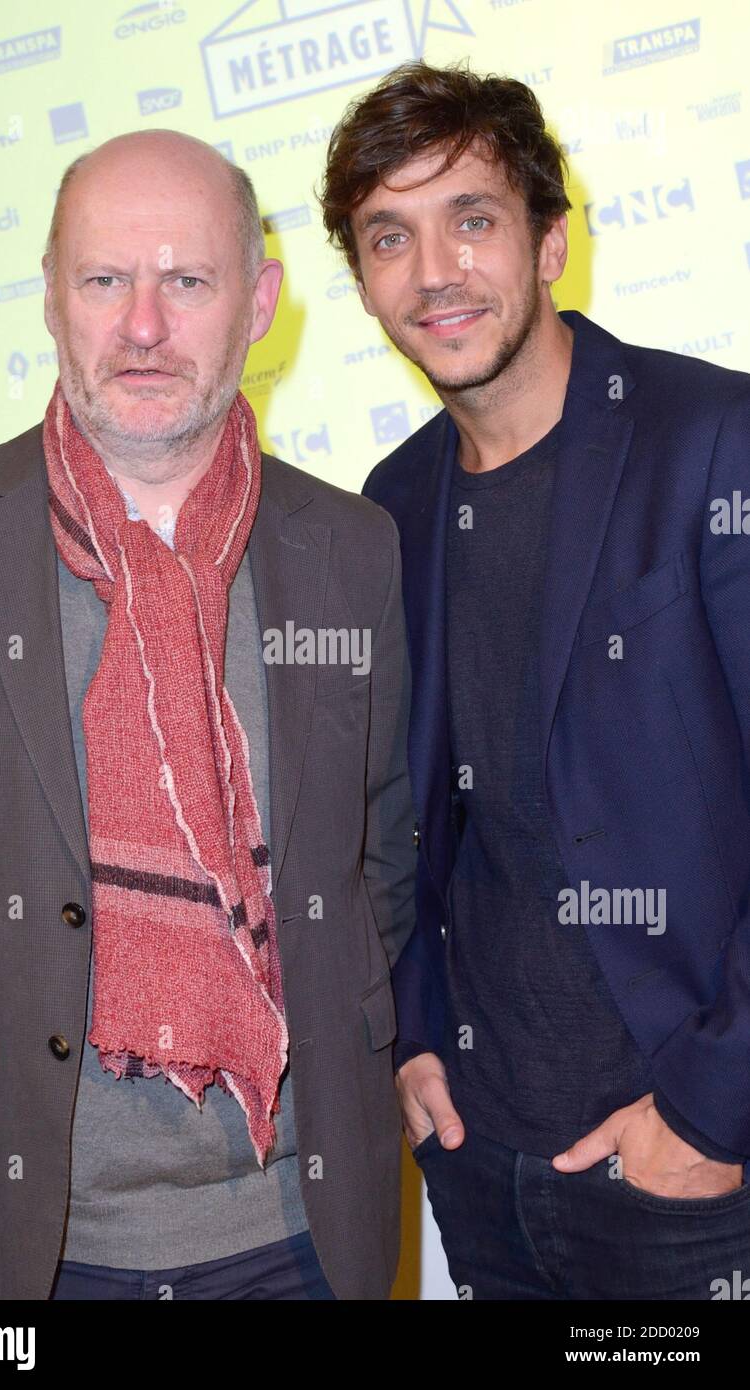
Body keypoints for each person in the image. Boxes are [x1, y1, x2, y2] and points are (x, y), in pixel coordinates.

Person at [0, 129, 416, 1301]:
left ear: (259, 302)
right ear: (49, 298)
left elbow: (382, 862)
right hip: (6, 1244)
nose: (140, 325)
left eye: (185, 280)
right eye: (102, 279)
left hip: (293, 1236)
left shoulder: (352, 548)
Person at [320, 61, 750, 1299]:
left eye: (471, 218)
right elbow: (397, 825)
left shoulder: (709, 440)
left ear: (548, 240)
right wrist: (407, 1033)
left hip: (690, 1173)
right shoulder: (390, 508)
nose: (433, 270)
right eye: (387, 236)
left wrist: (714, 1113)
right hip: (481, 1162)